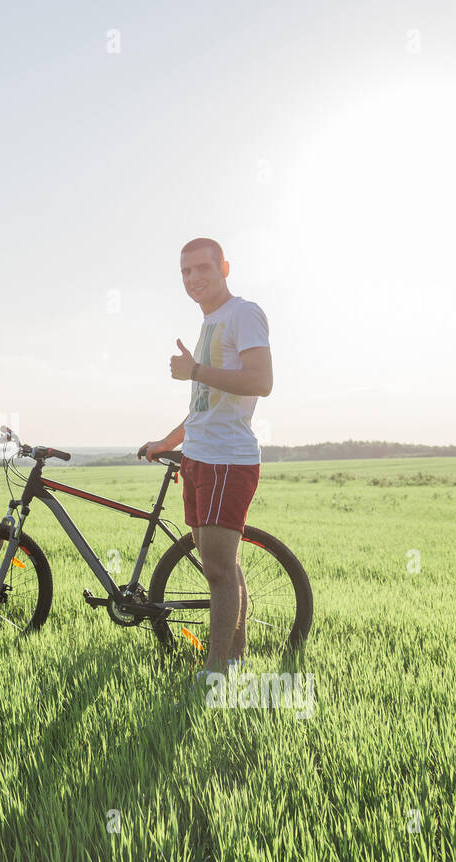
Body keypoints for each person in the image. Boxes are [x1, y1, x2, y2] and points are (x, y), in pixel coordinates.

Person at [138, 237, 273, 680]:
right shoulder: (210, 322)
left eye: (202, 268)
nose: (194, 278)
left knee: (217, 569)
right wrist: (168, 440)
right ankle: (234, 656)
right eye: (185, 272)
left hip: (225, 461)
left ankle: (216, 670)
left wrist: (194, 370)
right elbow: (203, 405)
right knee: (223, 564)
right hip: (199, 456)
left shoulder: (243, 313)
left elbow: (261, 381)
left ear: (224, 268)